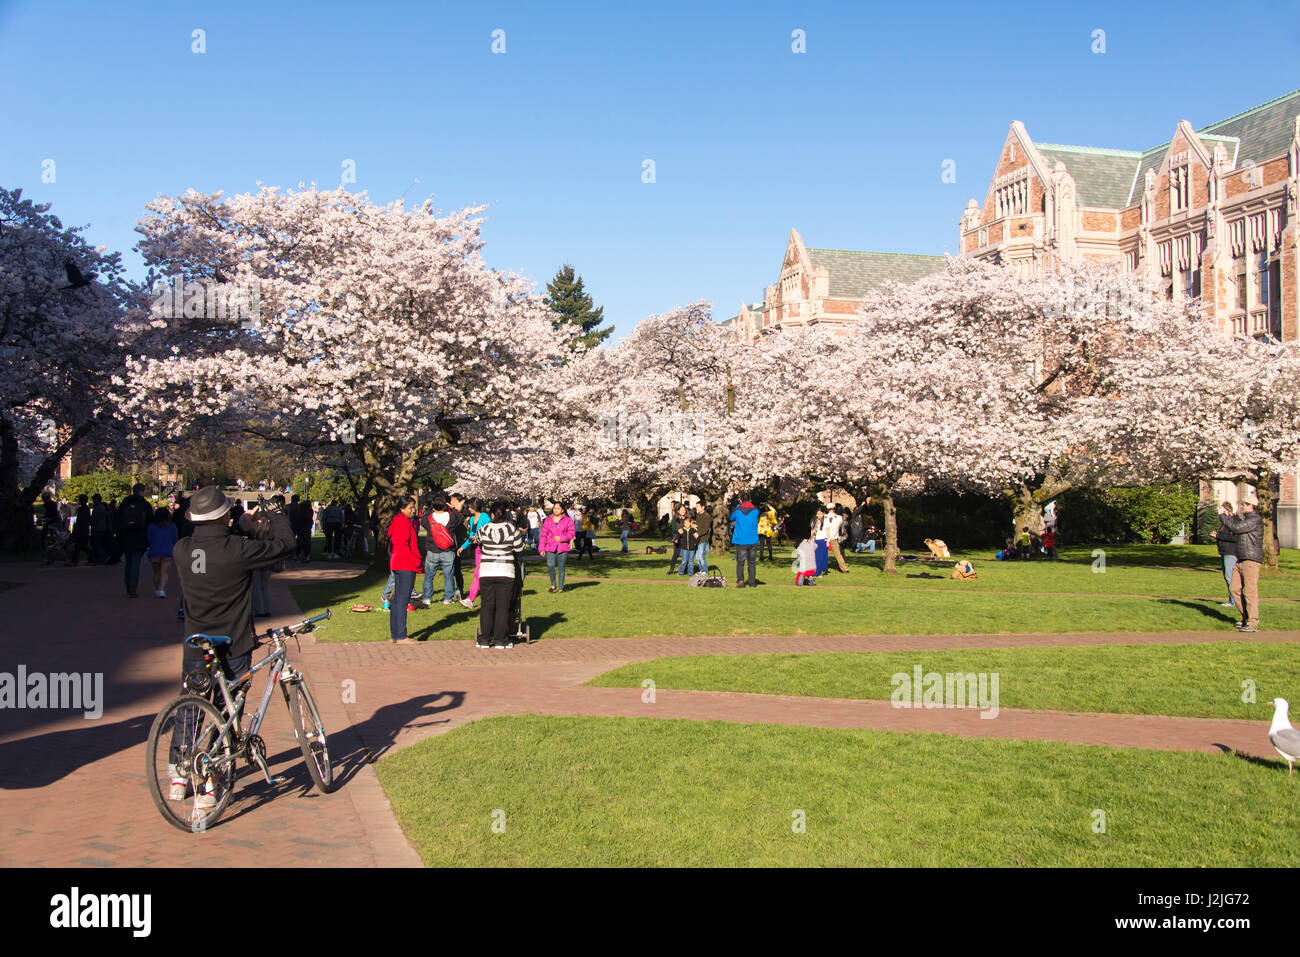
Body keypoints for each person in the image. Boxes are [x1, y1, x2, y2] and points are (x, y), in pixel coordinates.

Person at [169, 488, 294, 805]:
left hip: (197, 642)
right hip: (234, 640)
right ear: (224, 516)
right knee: (228, 711)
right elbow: (285, 545)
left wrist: (236, 528)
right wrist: (275, 516)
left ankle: (180, 771)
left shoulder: (182, 550)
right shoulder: (238, 549)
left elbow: (212, 554)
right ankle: (213, 776)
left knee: (192, 703)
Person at [472, 503, 527, 649]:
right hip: (505, 571)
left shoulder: (484, 529)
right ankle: (500, 640)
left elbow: (476, 541)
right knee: (503, 607)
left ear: (491, 515)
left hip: (486, 571)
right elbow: (519, 548)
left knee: (487, 605)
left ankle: (484, 638)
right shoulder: (511, 529)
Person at [1221, 494, 1264, 633]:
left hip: (1251, 560)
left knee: (1250, 592)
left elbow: (1236, 528)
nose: (1241, 506)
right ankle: (1246, 618)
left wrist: (1223, 516)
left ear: (1251, 506)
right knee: (1234, 589)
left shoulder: (1255, 520)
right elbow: (1235, 527)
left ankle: (1253, 622)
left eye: (1244, 504)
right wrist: (1227, 516)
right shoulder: (1246, 520)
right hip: (1240, 559)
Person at [385, 497, 422, 643]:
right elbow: (402, 545)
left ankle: (396, 634)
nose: (413, 510)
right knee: (402, 600)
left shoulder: (399, 521)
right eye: (410, 508)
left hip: (399, 562)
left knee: (398, 600)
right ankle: (400, 635)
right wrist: (416, 561)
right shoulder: (403, 522)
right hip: (405, 563)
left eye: (413, 507)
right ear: (402, 509)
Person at [116, 483, 154, 598]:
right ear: (142, 491)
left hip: (126, 536)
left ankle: (128, 585)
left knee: (128, 561)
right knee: (135, 562)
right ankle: (133, 586)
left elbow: (118, 519)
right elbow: (150, 520)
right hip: (139, 536)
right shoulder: (144, 504)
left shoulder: (125, 502)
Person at [420, 496, 458, 605]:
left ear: (433, 506)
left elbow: (423, 521)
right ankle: (448, 598)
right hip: (447, 550)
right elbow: (459, 519)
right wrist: (453, 509)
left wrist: (428, 510)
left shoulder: (429, 518)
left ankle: (427, 598)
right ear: (445, 505)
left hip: (432, 550)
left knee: (429, 576)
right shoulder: (450, 517)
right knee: (449, 575)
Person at [457, 499, 491, 608]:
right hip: (478, 550)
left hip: (486, 549)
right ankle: (471, 599)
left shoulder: (485, 517)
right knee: (478, 573)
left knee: (479, 573)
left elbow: (489, 533)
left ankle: (471, 599)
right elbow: (472, 536)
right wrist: (463, 547)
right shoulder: (472, 519)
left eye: (469, 507)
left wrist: (479, 540)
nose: (468, 509)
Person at [539, 500, 575, 593]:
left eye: (558, 508)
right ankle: (553, 584)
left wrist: (562, 538)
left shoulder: (567, 520)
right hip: (550, 546)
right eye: (554, 508)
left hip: (563, 547)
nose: (556, 510)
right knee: (550, 565)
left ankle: (560, 588)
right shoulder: (548, 520)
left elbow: (571, 533)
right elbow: (543, 534)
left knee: (561, 567)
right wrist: (542, 548)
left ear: (562, 510)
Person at [1210, 502, 1238, 607]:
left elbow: (1234, 537)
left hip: (1230, 552)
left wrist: (1219, 536)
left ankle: (1233, 601)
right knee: (1228, 576)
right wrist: (1218, 536)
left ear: (1226, 510)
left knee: (1229, 576)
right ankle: (1232, 600)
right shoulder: (1226, 522)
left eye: (1220, 509)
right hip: (1225, 551)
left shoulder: (1233, 521)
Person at [147, 507, 179, 598]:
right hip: (167, 551)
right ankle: (161, 589)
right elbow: (175, 539)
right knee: (164, 572)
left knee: (156, 572)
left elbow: (149, 538)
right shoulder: (172, 526)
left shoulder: (152, 526)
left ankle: (157, 589)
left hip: (154, 550)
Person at [730, 499, 760, 588]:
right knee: (752, 563)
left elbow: (731, 518)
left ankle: (740, 581)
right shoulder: (756, 511)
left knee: (740, 562)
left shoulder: (738, 511)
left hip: (741, 540)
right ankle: (752, 583)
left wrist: (737, 507)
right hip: (752, 539)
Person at [66, 494, 92, 565]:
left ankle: (74, 561)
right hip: (84, 529)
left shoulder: (83, 509)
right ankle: (93, 556)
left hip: (81, 530)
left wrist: (76, 529)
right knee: (82, 546)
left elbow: (80, 521)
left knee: (78, 546)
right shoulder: (86, 509)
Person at [824, 504, 849, 573]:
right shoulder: (839, 517)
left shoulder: (825, 517)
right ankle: (844, 568)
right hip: (834, 537)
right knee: (838, 554)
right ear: (834, 508)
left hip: (825, 537)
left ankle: (822, 568)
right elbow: (841, 526)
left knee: (822, 554)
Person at [812, 508, 829, 577]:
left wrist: (828, 541)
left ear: (823, 513)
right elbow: (812, 530)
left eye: (820, 514)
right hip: (816, 540)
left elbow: (828, 531)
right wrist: (812, 538)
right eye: (818, 514)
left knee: (821, 557)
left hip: (823, 540)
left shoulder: (826, 521)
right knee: (816, 557)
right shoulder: (814, 521)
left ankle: (820, 571)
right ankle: (817, 570)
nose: (819, 515)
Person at [694, 506, 712, 574]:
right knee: (697, 557)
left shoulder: (707, 516)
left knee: (701, 556)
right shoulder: (698, 515)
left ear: (703, 507)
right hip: (697, 539)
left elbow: (706, 528)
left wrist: (698, 533)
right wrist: (694, 525)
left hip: (703, 539)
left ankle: (705, 571)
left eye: (698, 506)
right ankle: (701, 570)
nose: (697, 508)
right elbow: (698, 525)